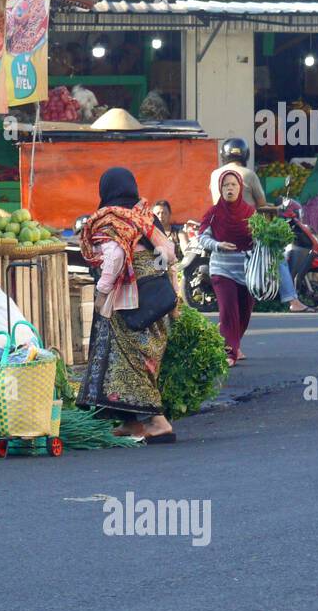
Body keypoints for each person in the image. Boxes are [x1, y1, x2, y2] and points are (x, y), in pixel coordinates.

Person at [76, 167, 179, 444]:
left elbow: (115, 257)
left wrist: (101, 292)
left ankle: (158, 423)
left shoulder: (111, 220)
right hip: (156, 301)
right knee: (141, 361)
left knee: (130, 362)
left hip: (130, 302)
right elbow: (168, 254)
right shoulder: (146, 217)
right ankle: (131, 424)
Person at [209, 138, 309, 312]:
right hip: (245, 228)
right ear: (246, 154)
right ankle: (293, 301)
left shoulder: (215, 174)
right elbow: (261, 204)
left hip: (221, 229)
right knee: (276, 257)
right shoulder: (248, 174)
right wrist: (277, 209)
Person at [198, 170, 255, 366]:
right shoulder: (214, 213)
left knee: (245, 311)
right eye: (225, 185)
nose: (229, 188)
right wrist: (218, 245)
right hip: (222, 269)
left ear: (240, 188)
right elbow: (202, 238)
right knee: (228, 310)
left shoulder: (250, 213)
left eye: (233, 185)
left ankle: (234, 344)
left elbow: (260, 238)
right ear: (220, 188)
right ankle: (229, 352)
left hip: (247, 271)